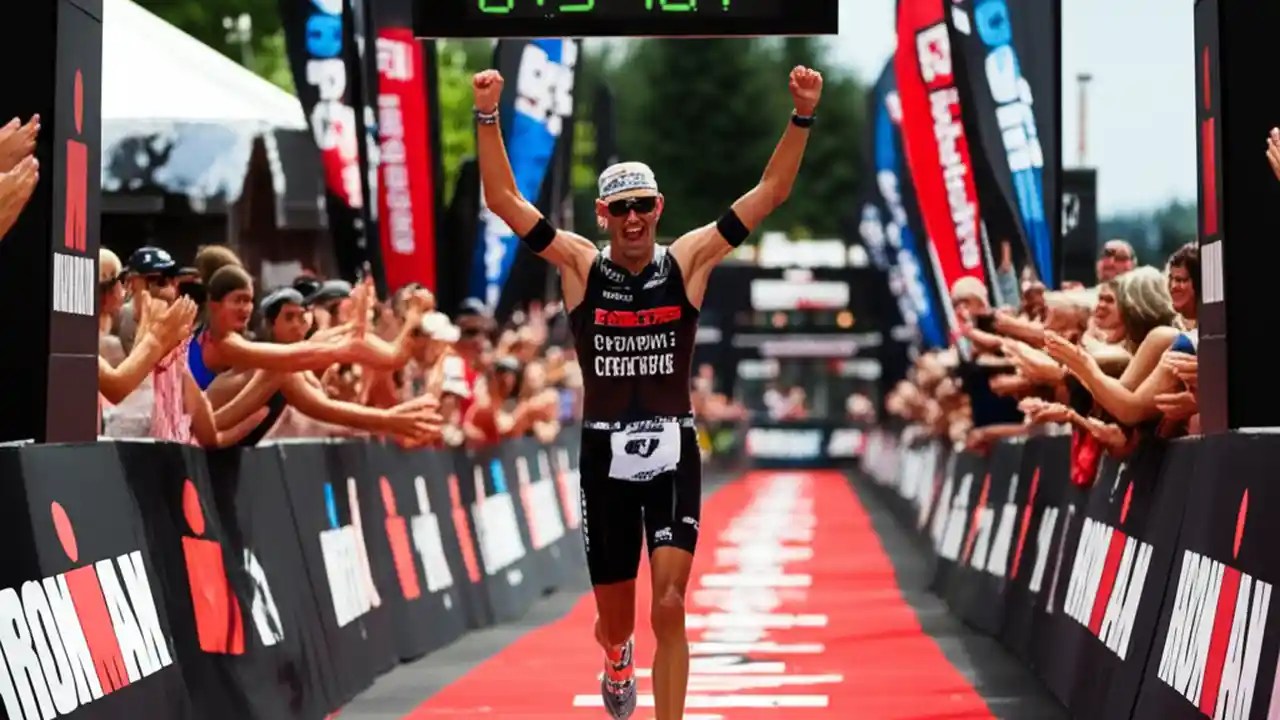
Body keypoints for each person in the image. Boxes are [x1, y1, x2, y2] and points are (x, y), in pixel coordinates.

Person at [471, 64, 823, 720]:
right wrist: (487, 116)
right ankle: (615, 656)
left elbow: (771, 190)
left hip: (671, 448)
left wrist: (801, 114)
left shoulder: (687, 259)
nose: (633, 219)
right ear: (604, 215)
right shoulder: (578, 263)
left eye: (644, 206)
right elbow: (503, 201)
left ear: (658, 209)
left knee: (670, 604)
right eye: (620, 209)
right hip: (603, 457)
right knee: (616, 619)